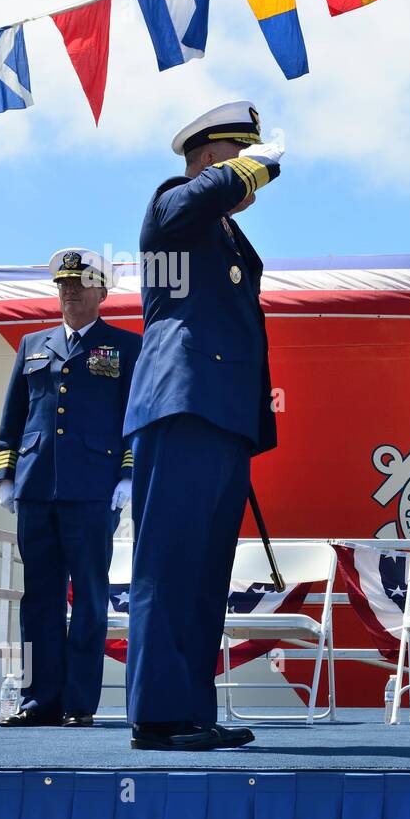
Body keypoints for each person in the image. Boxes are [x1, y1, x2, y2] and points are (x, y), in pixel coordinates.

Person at [123, 101, 282, 751]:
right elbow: (197, 198)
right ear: (208, 156)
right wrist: (250, 171)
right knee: (169, 562)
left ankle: (189, 707)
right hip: (183, 401)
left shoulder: (226, 237)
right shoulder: (172, 208)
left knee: (207, 573)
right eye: (238, 153)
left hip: (224, 415)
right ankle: (157, 714)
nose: (249, 168)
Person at [0, 249, 139, 728]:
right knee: (38, 601)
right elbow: (14, 416)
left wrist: (127, 474)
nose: (69, 292)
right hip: (36, 489)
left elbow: (135, 419)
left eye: (79, 284)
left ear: (101, 292)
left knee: (91, 599)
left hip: (94, 490)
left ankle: (79, 702)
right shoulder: (33, 343)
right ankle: (39, 700)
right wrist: (6, 474)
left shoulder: (125, 346)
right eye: (62, 285)